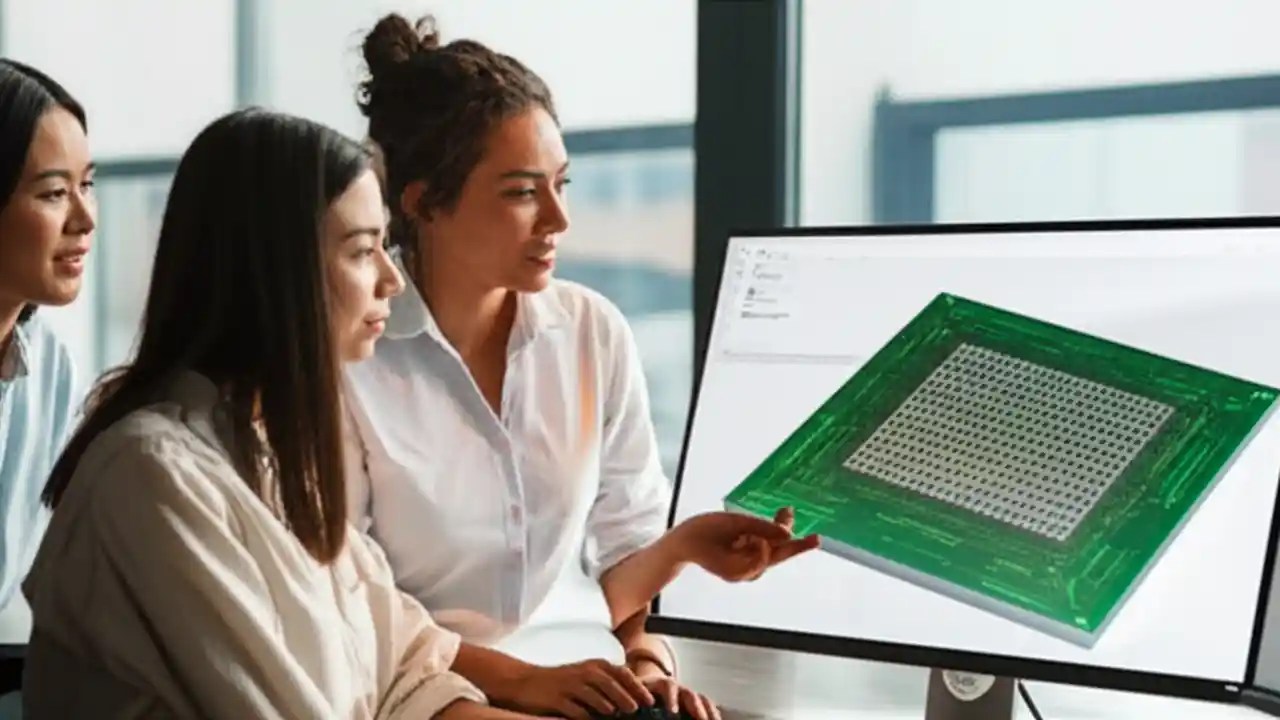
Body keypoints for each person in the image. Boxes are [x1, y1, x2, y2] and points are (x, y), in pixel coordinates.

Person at [342, 14, 820, 720]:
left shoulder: (591, 331)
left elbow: (624, 568)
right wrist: (521, 681)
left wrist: (649, 662)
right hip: (439, 699)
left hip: (594, 691)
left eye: (562, 183)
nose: (558, 219)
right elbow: (354, 612)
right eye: (522, 192)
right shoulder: (351, 360)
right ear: (422, 203)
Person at [21, 108, 540, 719]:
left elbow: (404, 668)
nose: (392, 280)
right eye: (361, 251)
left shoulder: (267, 453)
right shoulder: (149, 475)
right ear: (275, 272)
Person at [0, 59, 94, 713]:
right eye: (55, 192)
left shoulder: (52, 371)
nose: (86, 219)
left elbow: (69, 586)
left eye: (87, 185)